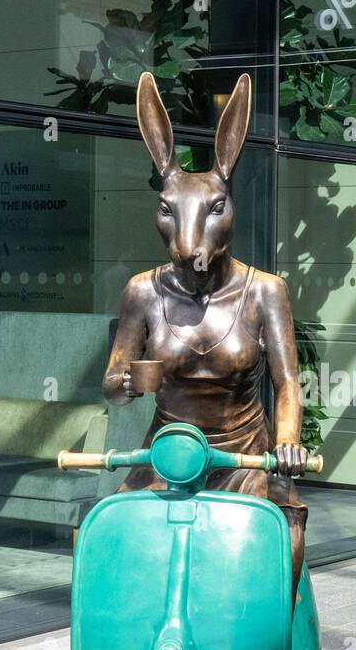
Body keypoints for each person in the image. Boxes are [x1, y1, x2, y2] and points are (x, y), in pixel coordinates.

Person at [102, 71, 309, 593]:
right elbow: (113, 382)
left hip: (244, 455)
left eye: (211, 212)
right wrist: (123, 384)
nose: (187, 239)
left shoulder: (265, 291)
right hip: (168, 453)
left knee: (278, 548)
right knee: (104, 543)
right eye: (170, 214)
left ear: (227, 213)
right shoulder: (142, 292)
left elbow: (287, 384)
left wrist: (285, 443)